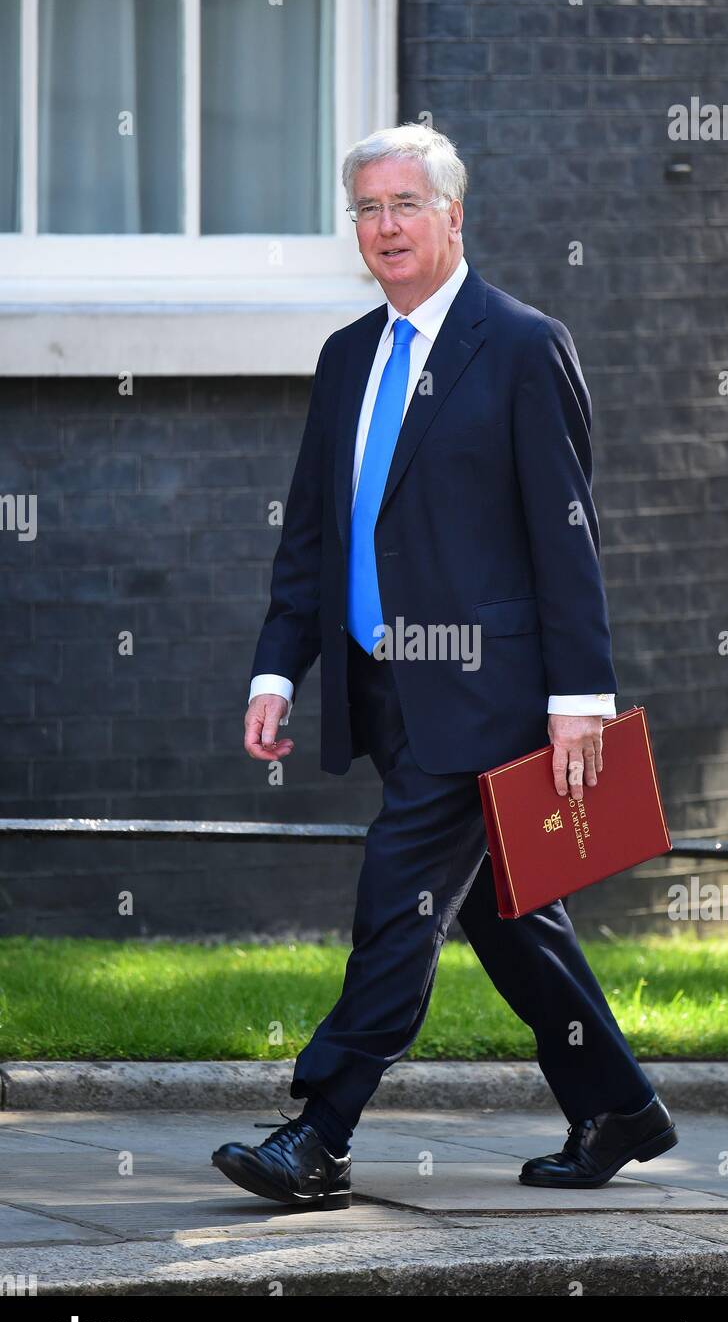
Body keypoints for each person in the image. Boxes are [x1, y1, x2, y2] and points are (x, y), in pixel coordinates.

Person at [212, 123, 677, 1210]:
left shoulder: (520, 344)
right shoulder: (345, 358)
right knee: (508, 909)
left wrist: (579, 701)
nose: (384, 228)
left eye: (404, 206)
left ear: (452, 215)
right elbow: (315, 537)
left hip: (490, 693)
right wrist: (277, 671)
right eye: (366, 210)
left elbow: (566, 536)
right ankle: (617, 1104)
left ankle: (319, 1130)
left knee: (398, 897)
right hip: (386, 687)